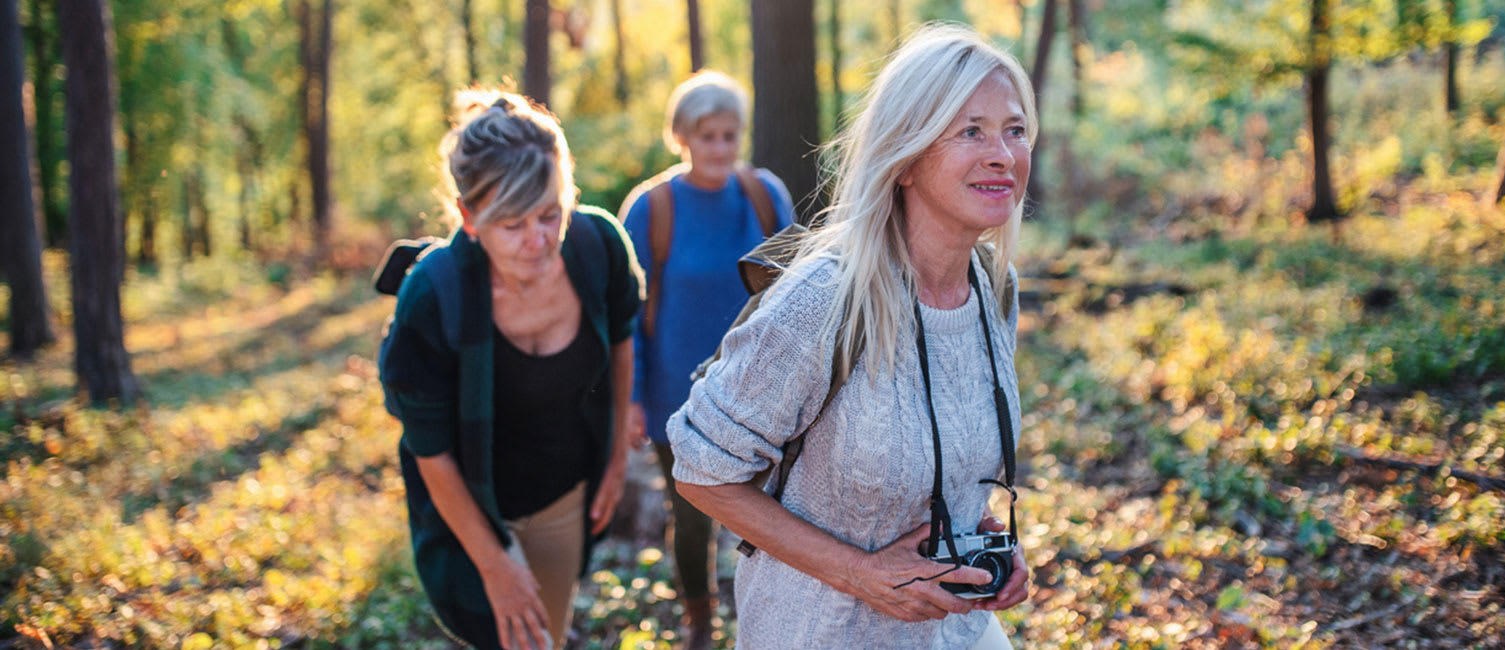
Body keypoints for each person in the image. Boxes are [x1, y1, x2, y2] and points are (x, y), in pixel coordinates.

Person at [665, 25, 1035, 649]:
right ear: (906, 157)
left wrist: (984, 538)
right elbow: (701, 469)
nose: (1003, 153)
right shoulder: (825, 298)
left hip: (957, 631)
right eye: (971, 131)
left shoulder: (994, 287)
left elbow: (944, 456)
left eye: (1015, 130)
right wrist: (860, 573)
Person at [378, 90, 644, 650]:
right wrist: (496, 565)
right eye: (512, 225)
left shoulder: (599, 246)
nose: (538, 241)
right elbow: (430, 451)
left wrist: (617, 459)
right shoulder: (433, 295)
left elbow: (622, 342)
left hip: (562, 494)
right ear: (470, 218)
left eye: (550, 214)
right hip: (467, 505)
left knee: (544, 634)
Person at [618, 71, 795, 649]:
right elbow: (627, 314)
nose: (719, 148)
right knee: (692, 514)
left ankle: (766, 618)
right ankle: (700, 620)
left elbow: (799, 289)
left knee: (769, 513)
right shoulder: (652, 208)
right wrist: (632, 398)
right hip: (677, 393)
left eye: (729, 136)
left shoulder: (764, 196)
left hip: (761, 387)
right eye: (707, 136)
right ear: (683, 137)